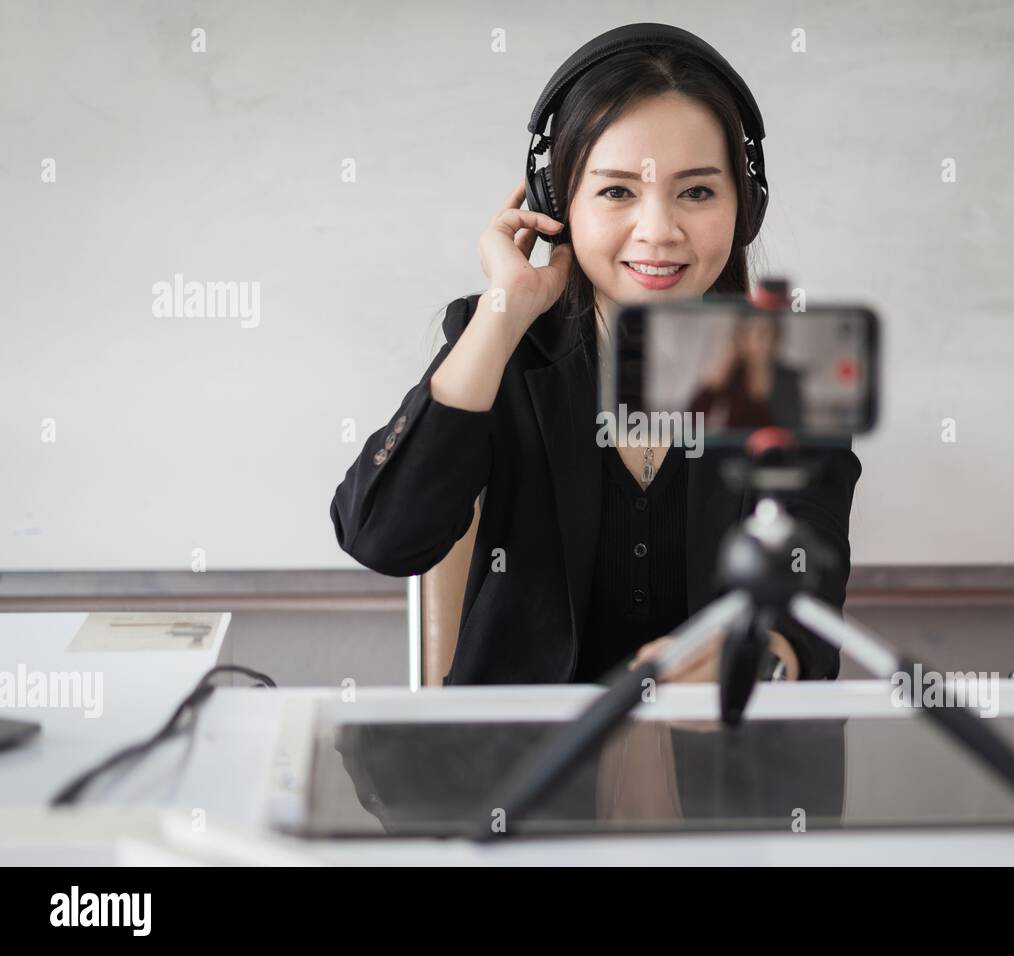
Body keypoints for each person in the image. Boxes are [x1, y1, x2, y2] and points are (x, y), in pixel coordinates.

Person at [330, 24, 861, 685]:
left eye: (697, 191)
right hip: (522, 768)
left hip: (726, 761)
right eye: (617, 191)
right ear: (559, 205)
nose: (659, 230)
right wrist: (505, 311)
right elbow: (384, 536)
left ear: (744, 206)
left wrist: (768, 659)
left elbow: (806, 594)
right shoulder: (507, 346)